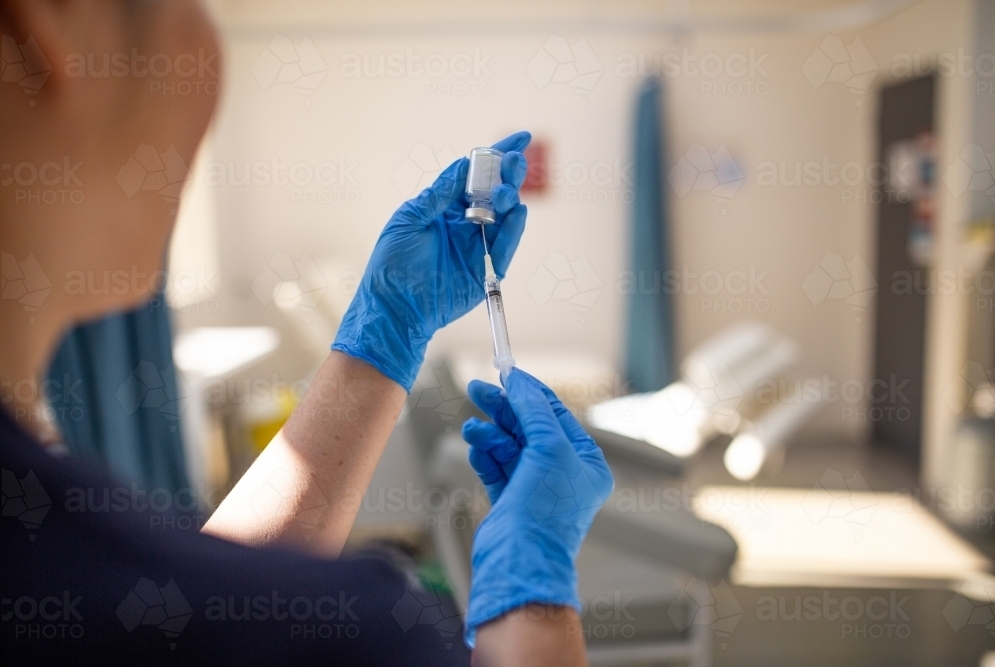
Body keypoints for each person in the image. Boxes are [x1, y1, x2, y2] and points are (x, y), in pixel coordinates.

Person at [0, 1, 613, 665]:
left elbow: (223, 610)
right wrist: (536, 591)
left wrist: (390, 326)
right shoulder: (358, 636)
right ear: (44, 27)